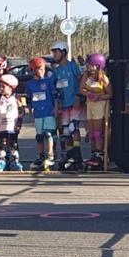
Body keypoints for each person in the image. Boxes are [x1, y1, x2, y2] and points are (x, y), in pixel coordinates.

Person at [50, 41, 83, 171]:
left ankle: (77, 156)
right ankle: (69, 156)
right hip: (63, 106)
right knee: (65, 131)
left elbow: (81, 80)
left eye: (56, 52)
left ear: (63, 52)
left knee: (73, 128)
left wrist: (79, 96)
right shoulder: (56, 71)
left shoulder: (72, 66)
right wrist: (57, 104)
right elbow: (55, 88)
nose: (54, 55)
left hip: (74, 103)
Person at [24, 57, 58, 171]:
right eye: (39, 69)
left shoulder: (48, 81)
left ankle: (50, 156)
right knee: (39, 136)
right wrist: (30, 111)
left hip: (49, 111)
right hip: (38, 113)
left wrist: (56, 108)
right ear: (33, 70)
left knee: (48, 134)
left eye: (43, 69)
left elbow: (55, 96)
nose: (42, 71)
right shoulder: (30, 84)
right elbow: (29, 99)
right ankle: (40, 156)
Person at [80, 54, 111, 170]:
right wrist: (88, 93)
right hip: (90, 105)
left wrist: (100, 96)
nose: (88, 66)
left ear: (97, 65)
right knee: (91, 132)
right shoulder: (86, 76)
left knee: (98, 132)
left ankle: (100, 154)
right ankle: (93, 153)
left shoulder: (103, 78)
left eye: (90, 64)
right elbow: (82, 88)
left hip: (100, 106)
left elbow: (110, 93)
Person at [0, 74, 24, 171]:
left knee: (13, 143)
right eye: (0, 86)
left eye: (3, 86)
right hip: (3, 126)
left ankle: (15, 161)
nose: (1, 88)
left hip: (12, 126)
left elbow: (21, 112)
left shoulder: (16, 98)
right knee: (3, 143)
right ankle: (2, 161)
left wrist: (19, 124)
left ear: (11, 87)